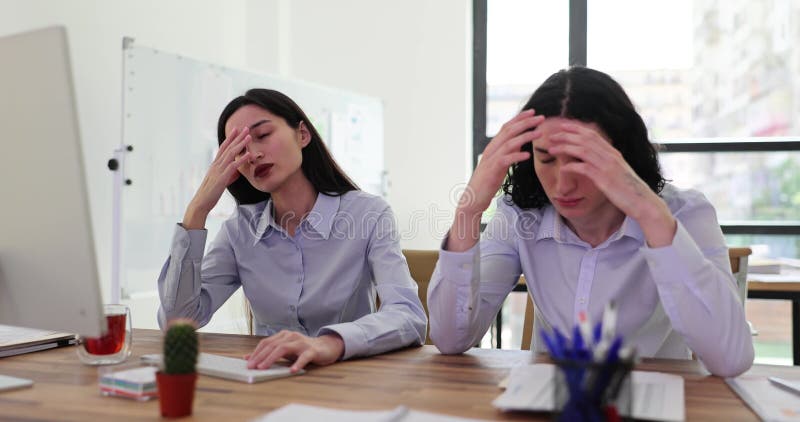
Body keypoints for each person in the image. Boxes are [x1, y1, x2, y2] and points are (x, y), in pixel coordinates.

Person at [427, 66, 754, 377]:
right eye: (547, 159)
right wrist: (469, 210)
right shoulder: (520, 214)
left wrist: (650, 214)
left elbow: (731, 358)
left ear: (621, 153)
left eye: (582, 160)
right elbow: (450, 338)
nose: (562, 184)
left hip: (650, 402)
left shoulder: (686, 212)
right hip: (551, 402)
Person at [157, 89, 427, 373]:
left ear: (303, 134)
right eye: (239, 149)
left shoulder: (368, 214)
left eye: (262, 136)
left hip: (347, 379)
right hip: (267, 381)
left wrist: (330, 343)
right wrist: (197, 210)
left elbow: (407, 315)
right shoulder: (240, 230)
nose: (254, 154)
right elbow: (177, 319)